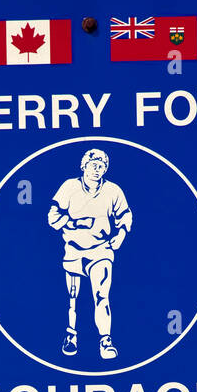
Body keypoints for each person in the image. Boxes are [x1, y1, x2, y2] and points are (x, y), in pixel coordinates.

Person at [47, 148, 132, 360]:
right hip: (74, 250)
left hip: (101, 250)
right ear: (83, 166)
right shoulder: (69, 187)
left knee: (102, 295)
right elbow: (52, 216)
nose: (97, 169)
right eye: (93, 165)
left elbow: (125, 215)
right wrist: (75, 223)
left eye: (102, 166)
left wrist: (121, 234)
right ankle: (71, 335)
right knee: (73, 298)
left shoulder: (113, 190)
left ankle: (105, 340)